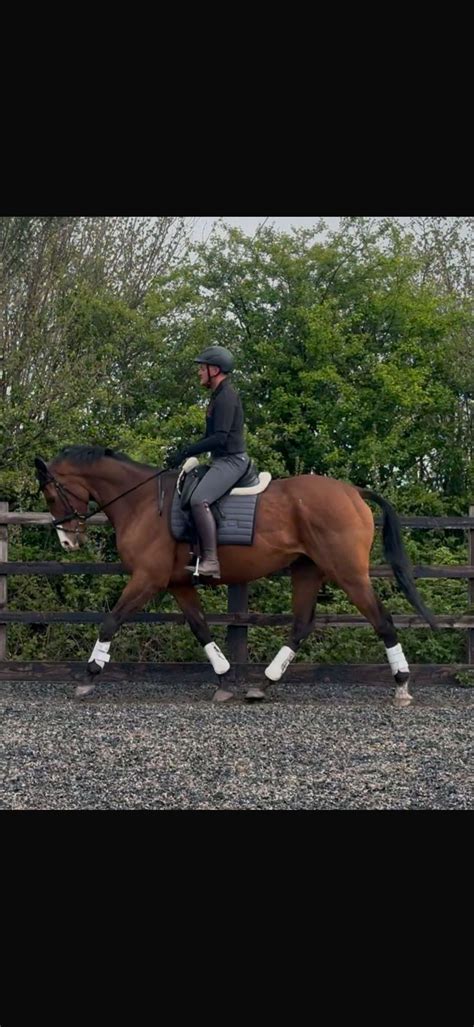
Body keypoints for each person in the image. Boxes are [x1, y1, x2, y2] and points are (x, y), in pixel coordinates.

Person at [165, 345, 249, 578]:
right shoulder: (217, 397)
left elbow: (220, 438)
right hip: (220, 460)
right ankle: (195, 551)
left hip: (232, 460)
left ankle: (211, 561)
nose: (199, 373)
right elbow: (208, 438)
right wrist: (182, 452)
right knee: (187, 488)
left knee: (199, 500)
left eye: (203, 368)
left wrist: (187, 451)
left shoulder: (226, 397)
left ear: (215, 370)